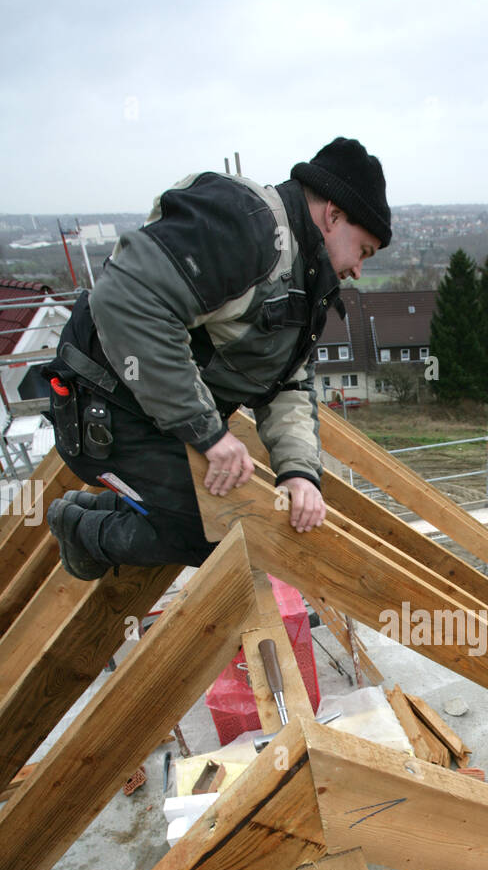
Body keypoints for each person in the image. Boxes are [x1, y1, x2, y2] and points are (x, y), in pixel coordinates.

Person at [44, 137, 391, 579]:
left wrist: (298, 472)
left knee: (244, 519)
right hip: (106, 411)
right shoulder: (246, 224)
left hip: (157, 424)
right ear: (333, 214)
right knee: (230, 532)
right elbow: (124, 298)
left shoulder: (304, 281)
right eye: (363, 251)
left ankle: (98, 509)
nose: (359, 269)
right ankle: (82, 534)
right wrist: (206, 431)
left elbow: (288, 384)